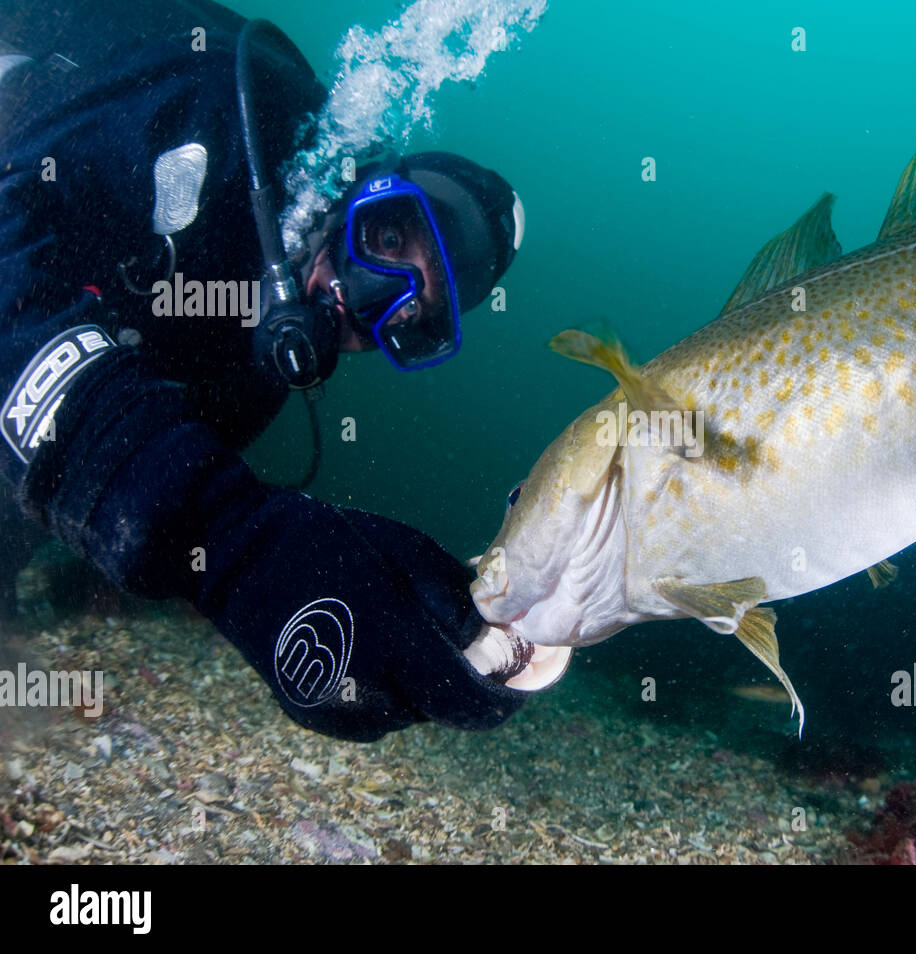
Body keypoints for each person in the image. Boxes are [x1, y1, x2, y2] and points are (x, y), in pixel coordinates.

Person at [0, 0, 529, 740]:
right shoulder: (213, 114)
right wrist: (233, 538)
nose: (367, 303)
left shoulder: (252, 391)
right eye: (383, 238)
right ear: (354, 190)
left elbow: (97, 478)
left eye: (409, 320)